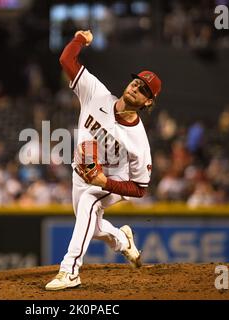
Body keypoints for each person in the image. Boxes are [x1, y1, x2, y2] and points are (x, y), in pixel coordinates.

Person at [45, 30, 162, 290]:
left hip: (113, 179)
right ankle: (123, 240)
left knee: (90, 201)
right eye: (136, 83)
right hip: (82, 172)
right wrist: (80, 40)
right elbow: (66, 61)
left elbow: (140, 189)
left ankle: (70, 270)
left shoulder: (138, 141)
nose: (136, 89)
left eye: (143, 90)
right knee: (92, 226)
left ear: (148, 102)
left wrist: (105, 182)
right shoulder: (96, 93)